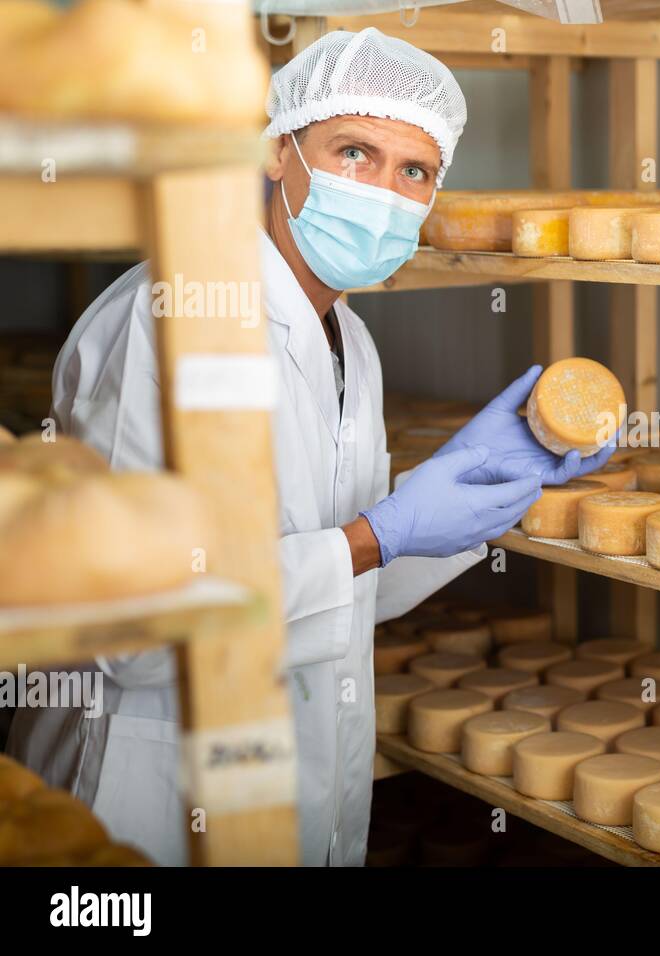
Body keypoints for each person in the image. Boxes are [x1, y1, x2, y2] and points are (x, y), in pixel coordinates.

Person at [6, 27, 613, 865]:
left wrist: (460, 498)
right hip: (144, 793)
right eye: (354, 151)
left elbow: (347, 588)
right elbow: (127, 637)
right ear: (276, 153)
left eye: (415, 172)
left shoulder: (347, 339)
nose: (384, 192)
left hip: (293, 786)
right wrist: (376, 534)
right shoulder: (167, 321)